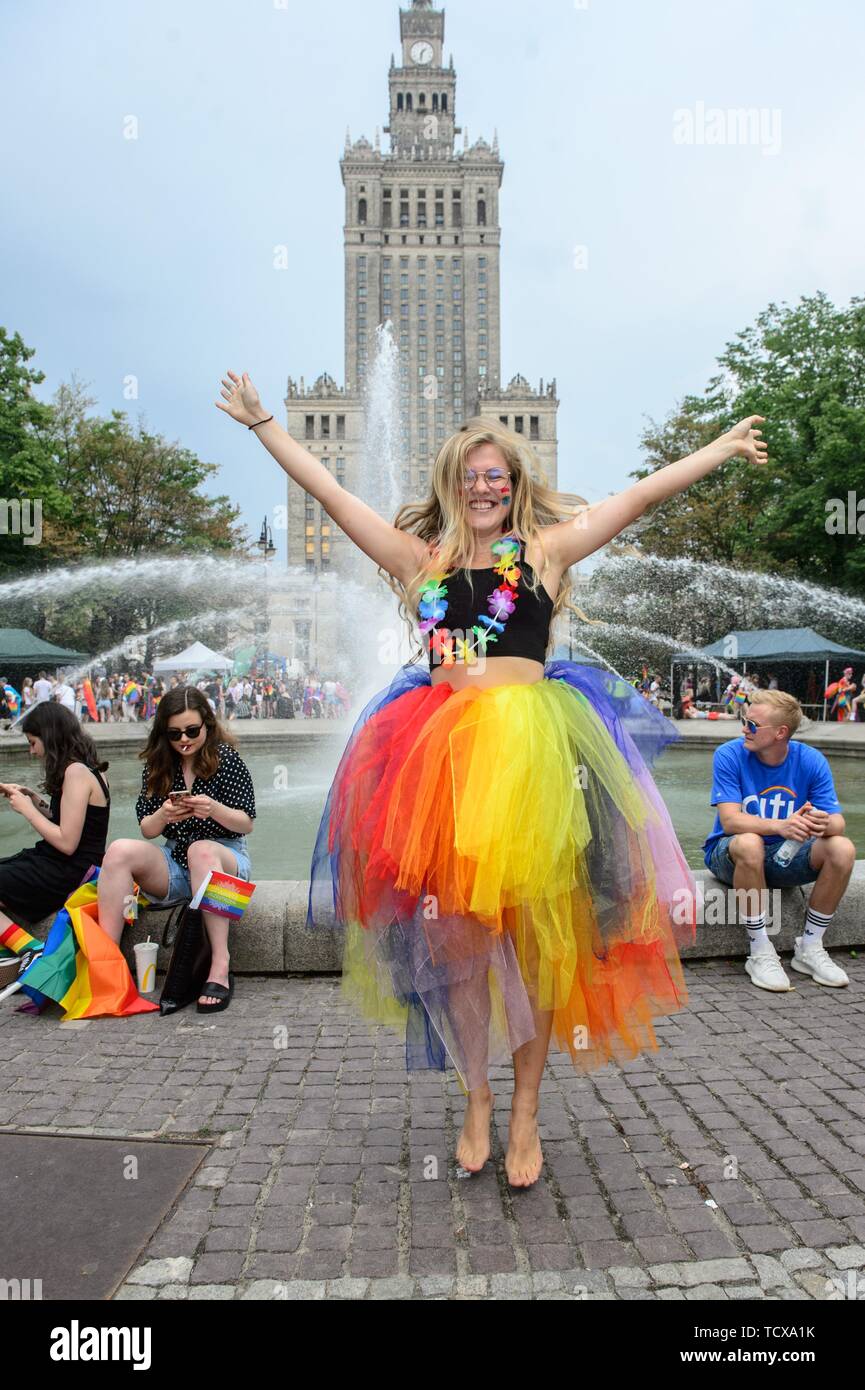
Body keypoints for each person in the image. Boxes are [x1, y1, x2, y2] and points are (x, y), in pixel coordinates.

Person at [217, 366, 768, 1187]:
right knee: (460, 950)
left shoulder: (542, 554)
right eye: (471, 476)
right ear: (452, 485)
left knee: (540, 948)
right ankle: (476, 1096)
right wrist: (264, 425)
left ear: (512, 487)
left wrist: (718, 449)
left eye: (496, 476)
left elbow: (638, 498)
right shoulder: (419, 561)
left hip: (537, 761)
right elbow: (333, 496)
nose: (484, 487)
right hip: (435, 765)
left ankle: (523, 1111)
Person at [97, 686, 256, 1012]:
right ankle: (105, 965)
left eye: (192, 730)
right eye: (174, 733)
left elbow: (246, 822)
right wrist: (164, 814)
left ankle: (220, 966)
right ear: (163, 733)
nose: (184, 739)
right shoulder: (159, 765)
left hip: (225, 861)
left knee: (201, 850)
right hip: (175, 859)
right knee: (117, 851)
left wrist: (213, 809)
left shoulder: (226, 760)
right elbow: (147, 828)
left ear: (207, 726)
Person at [703, 689, 855, 991]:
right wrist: (781, 825)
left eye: (753, 724)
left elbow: (838, 821)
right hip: (730, 855)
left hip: (786, 855)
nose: (745, 728)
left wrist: (821, 823)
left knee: (842, 847)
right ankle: (760, 950)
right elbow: (731, 821)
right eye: (744, 721)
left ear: (781, 733)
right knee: (749, 842)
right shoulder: (730, 754)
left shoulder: (811, 760)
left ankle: (810, 948)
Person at [0, 703, 111, 934]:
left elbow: (67, 843)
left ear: (50, 737)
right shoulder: (90, 769)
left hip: (69, 872)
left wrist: (27, 810)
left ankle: (27, 948)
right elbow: (64, 818)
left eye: (33, 743)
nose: (32, 751)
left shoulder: (75, 772)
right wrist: (31, 797)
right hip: (70, 866)